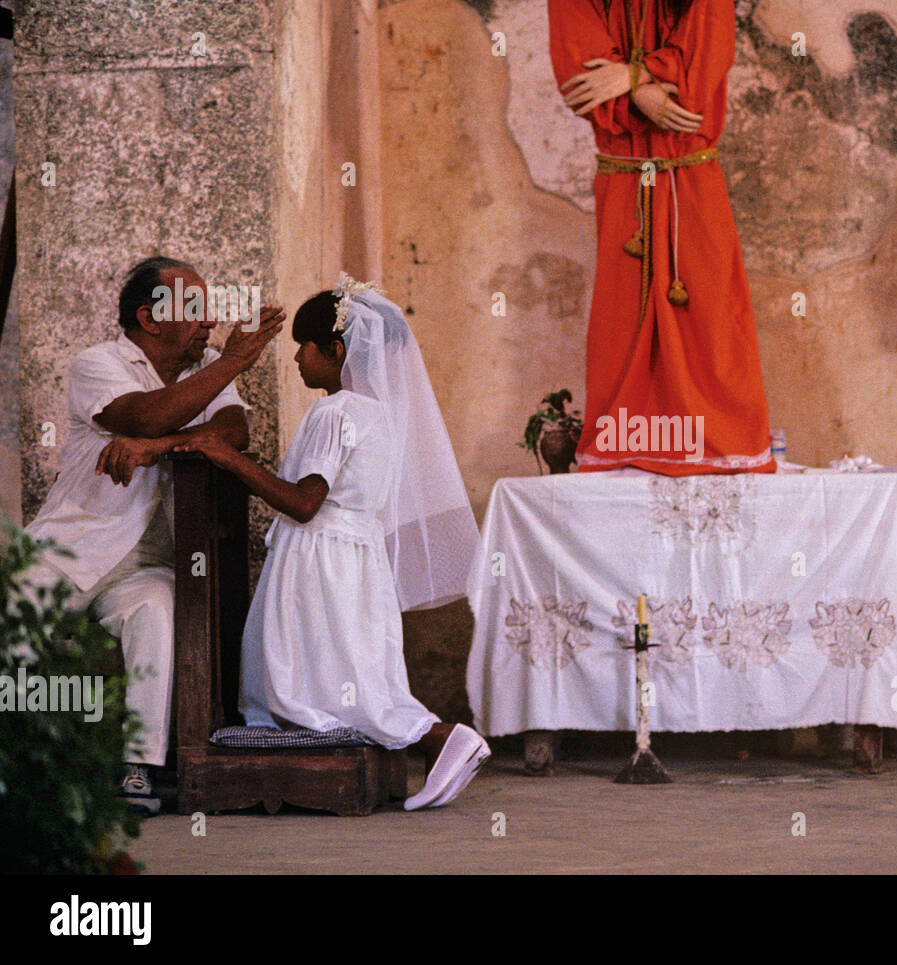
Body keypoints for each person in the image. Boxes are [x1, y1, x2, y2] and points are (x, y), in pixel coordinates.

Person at [175, 277, 488, 810]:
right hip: (357, 560)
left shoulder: (336, 411)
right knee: (355, 675)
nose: (296, 358)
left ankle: (442, 737)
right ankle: (439, 745)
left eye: (304, 346)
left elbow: (304, 502)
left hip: (318, 559)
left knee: (317, 680)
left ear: (336, 351)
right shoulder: (383, 415)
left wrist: (228, 458)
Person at [23, 255, 284, 816]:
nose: (209, 320)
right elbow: (141, 416)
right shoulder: (99, 362)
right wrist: (233, 363)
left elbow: (234, 430)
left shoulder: (206, 367)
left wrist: (160, 447)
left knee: (159, 614)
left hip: (149, 556)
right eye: (193, 307)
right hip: (74, 541)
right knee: (13, 610)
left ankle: (136, 767)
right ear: (149, 316)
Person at [548, 0, 776, 474]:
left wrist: (631, 77)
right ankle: (630, 446)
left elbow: (702, 65)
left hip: (692, 175)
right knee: (622, 319)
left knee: (710, 314)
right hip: (624, 181)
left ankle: (719, 447)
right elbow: (580, 77)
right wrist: (645, 89)